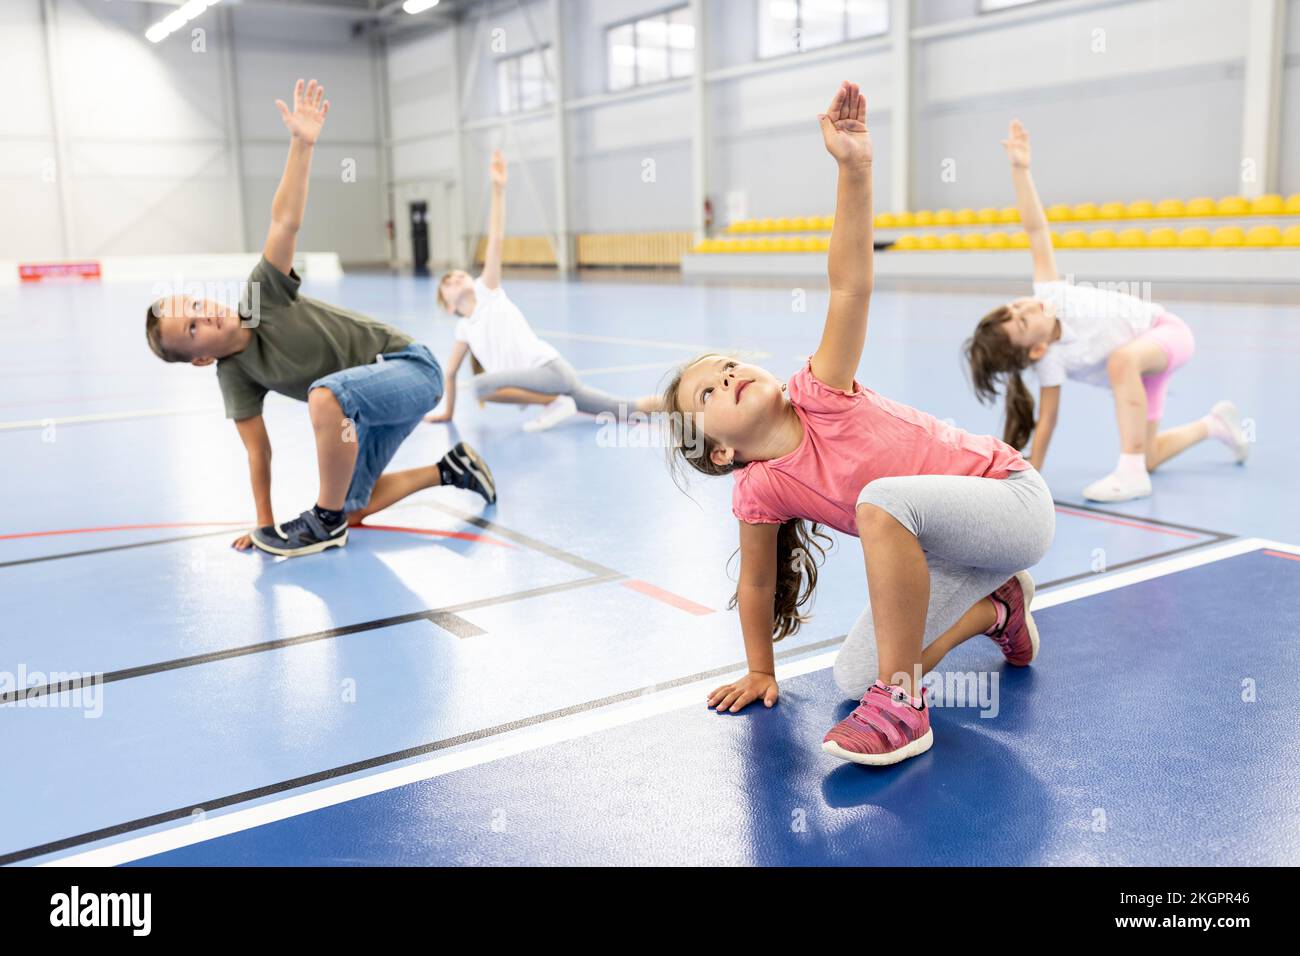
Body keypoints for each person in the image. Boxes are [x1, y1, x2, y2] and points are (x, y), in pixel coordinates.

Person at [144, 79, 495, 558]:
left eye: (197, 307)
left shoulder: (259, 294)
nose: (206, 316)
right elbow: (258, 452)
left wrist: (302, 144)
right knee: (355, 503)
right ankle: (450, 470)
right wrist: (265, 526)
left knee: (327, 397)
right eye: (192, 329)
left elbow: (284, 221)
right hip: (363, 413)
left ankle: (324, 523)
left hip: (413, 371)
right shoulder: (236, 375)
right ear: (202, 359)